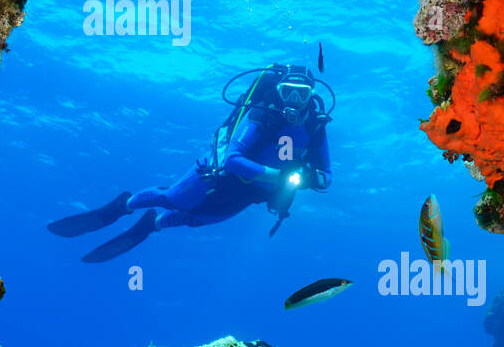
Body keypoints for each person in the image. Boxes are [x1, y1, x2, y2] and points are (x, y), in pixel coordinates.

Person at [48, 63, 333, 262]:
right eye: (288, 92)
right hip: (219, 172)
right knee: (174, 198)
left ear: (311, 97)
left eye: (301, 95)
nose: (293, 102)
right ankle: (122, 206)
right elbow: (233, 160)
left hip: (253, 193)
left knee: (200, 219)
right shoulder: (262, 115)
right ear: (278, 91)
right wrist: (279, 176)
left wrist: (311, 177)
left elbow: (327, 177)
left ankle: (152, 225)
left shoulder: (316, 128)